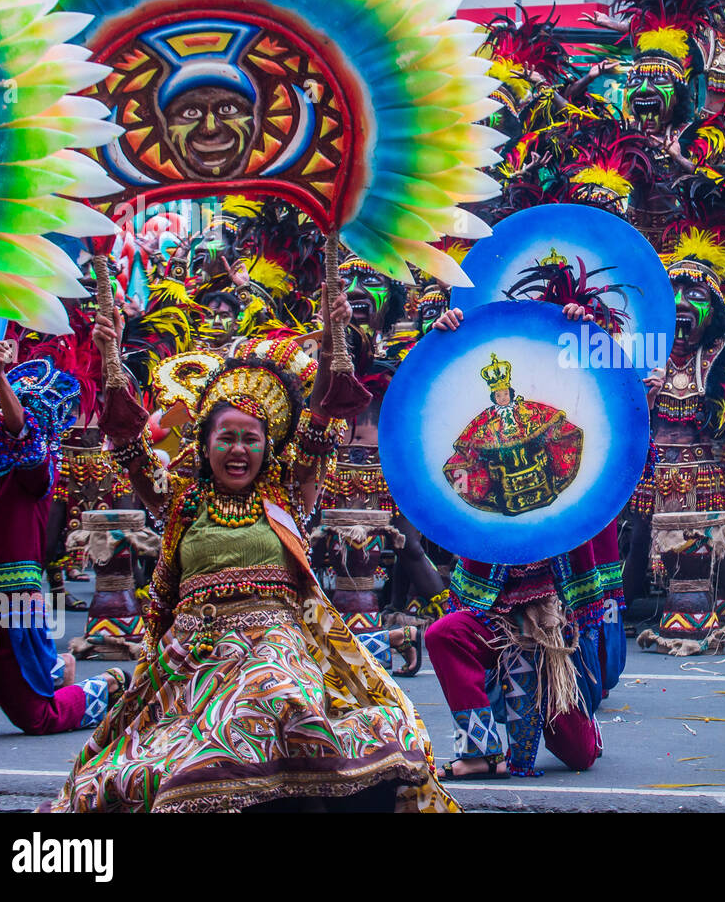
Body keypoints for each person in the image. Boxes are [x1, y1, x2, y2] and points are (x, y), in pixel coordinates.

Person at [46, 288, 457, 812]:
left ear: (268, 445)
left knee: (282, 701)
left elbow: (322, 422)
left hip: (275, 647)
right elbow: (129, 443)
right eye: (226, 437)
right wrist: (109, 355)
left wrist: (334, 336)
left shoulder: (285, 490)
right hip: (193, 660)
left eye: (251, 438)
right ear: (204, 442)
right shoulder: (182, 498)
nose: (238, 450)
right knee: (150, 773)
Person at [424, 305, 604, 780]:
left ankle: (582, 720)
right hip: (495, 616)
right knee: (444, 634)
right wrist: (442, 339)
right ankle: (482, 748)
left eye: (506, 384)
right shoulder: (479, 425)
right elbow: (450, 449)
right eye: (494, 385)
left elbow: (593, 423)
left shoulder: (546, 422)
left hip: (549, 620)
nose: (501, 391)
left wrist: (583, 330)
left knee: (580, 754)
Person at [0, 344, 124, 738]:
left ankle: (108, 685)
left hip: (12, 601)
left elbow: (22, 435)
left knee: (36, 717)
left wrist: (1, 375)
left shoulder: (38, 467)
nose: (0, 410)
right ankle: (51, 670)